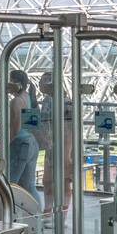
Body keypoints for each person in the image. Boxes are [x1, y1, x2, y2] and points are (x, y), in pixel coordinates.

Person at [38, 71, 74, 219]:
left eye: (44, 81)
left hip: (64, 146)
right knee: (47, 180)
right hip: (51, 146)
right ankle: (48, 212)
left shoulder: (66, 103)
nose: (41, 84)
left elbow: (71, 128)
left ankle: (62, 216)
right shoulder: (47, 101)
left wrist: (67, 152)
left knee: (64, 181)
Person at [6, 69, 40, 201]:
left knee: (10, 183)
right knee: (29, 186)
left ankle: (9, 212)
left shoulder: (16, 101)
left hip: (19, 145)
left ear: (15, 83)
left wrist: (3, 144)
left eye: (8, 81)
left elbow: (15, 127)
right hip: (31, 143)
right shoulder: (28, 97)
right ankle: (37, 214)